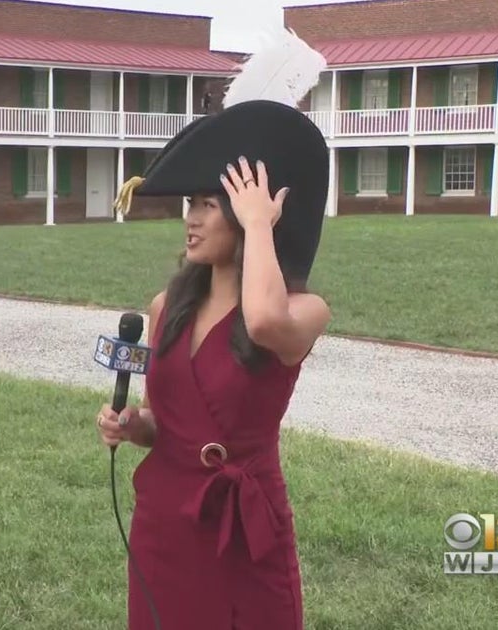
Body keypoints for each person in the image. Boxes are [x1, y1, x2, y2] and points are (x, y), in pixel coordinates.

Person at [97, 35, 331, 629]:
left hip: (247, 529)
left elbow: (263, 321)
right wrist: (132, 425)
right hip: (165, 523)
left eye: (208, 203)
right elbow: (162, 422)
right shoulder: (166, 306)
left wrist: (257, 226)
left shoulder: (305, 311)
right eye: (190, 203)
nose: (192, 219)